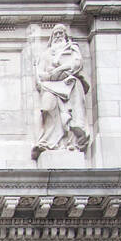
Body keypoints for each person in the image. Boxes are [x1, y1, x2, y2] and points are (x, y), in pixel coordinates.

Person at [32, 24, 90, 159]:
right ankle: (50, 141)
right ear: (51, 37)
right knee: (46, 108)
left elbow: (76, 64)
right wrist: (51, 75)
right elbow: (40, 74)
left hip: (69, 85)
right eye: (56, 34)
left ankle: (71, 143)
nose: (58, 36)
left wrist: (60, 69)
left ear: (65, 36)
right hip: (50, 85)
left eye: (61, 34)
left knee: (71, 113)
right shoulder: (45, 54)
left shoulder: (72, 49)